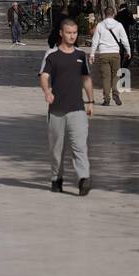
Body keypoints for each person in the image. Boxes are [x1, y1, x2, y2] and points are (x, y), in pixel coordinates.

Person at [39, 19, 94, 195]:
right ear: (61, 33)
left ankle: (83, 179)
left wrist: (91, 101)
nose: (72, 36)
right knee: (57, 149)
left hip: (77, 109)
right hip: (56, 110)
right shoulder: (52, 55)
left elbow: (86, 79)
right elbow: (44, 76)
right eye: (69, 32)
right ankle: (56, 178)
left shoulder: (80, 55)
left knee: (80, 146)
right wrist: (47, 92)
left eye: (75, 32)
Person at [89, 7, 131, 107]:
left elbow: (95, 41)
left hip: (103, 54)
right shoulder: (119, 25)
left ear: (105, 14)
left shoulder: (100, 25)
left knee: (106, 77)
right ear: (114, 14)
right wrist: (128, 51)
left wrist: (92, 54)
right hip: (115, 54)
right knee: (116, 75)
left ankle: (106, 98)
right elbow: (124, 39)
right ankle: (115, 94)